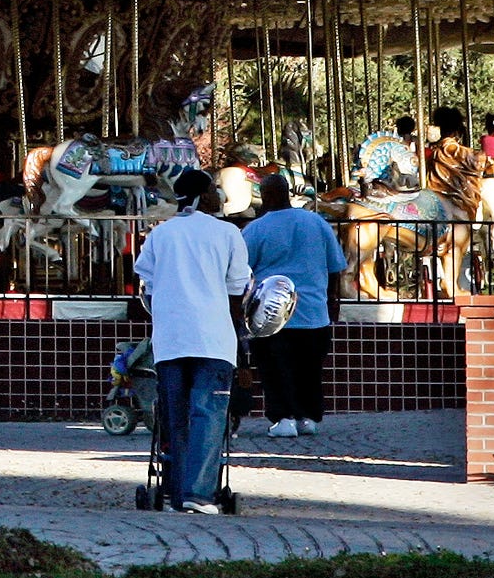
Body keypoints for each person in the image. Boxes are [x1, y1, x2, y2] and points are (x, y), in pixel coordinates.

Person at [134, 167, 252, 513]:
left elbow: (148, 288)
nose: (220, 196)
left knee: (175, 415)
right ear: (203, 197)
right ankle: (198, 494)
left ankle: (174, 490)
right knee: (208, 414)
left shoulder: (160, 235)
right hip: (214, 341)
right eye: (214, 190)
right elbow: (236, 289)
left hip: (170, 341)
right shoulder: (228, 233)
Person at [242, 172, 343, 437]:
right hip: (313, 313)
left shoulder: (256, 229)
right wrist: (333, 300)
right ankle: (307, 417)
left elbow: (242, 272)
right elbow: (335, 267)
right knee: (309, 369)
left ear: (266, 196)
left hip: (270, 316)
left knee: (274, 369)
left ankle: (283, 418)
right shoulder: (316, 223)